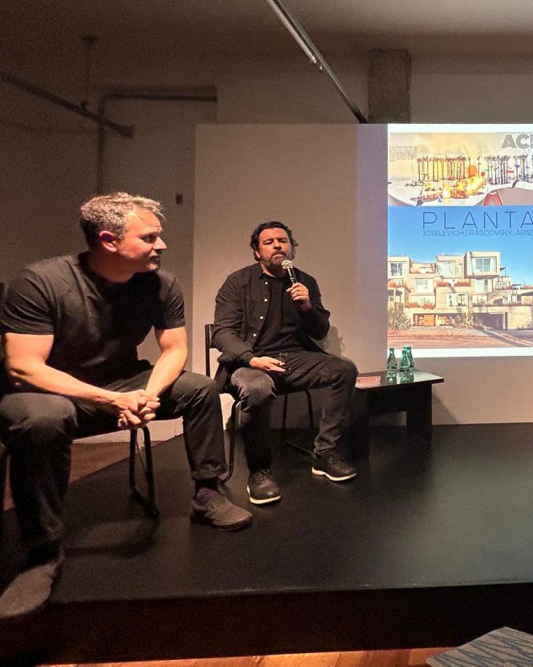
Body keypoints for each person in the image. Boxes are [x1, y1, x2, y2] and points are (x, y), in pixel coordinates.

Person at [0, 193, 252, 618]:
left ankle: (207, 492)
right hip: (47, 392)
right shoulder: (41, 281)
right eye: (150, 237)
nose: (162, 245)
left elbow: (174, 350)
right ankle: (42, 552)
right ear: (109, 240)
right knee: (43, 420)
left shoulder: (161, 283)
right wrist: (111, 399)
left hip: (125, 381)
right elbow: (25, 368)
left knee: (200, 388)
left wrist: (148, 393)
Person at [212, 221, 359, 506]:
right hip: (249, 360)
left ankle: (324, 453)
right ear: (257, 252)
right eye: (269, 242)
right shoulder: (237, 283)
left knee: (344, 370)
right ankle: (259, 472)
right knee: (256, 389)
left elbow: (319, 331)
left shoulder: (304, 281)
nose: (277, 245)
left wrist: (307, 306)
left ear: (292, 247)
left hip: (294, 358)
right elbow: (222, 332)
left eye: (283, 240)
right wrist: (251, 358)